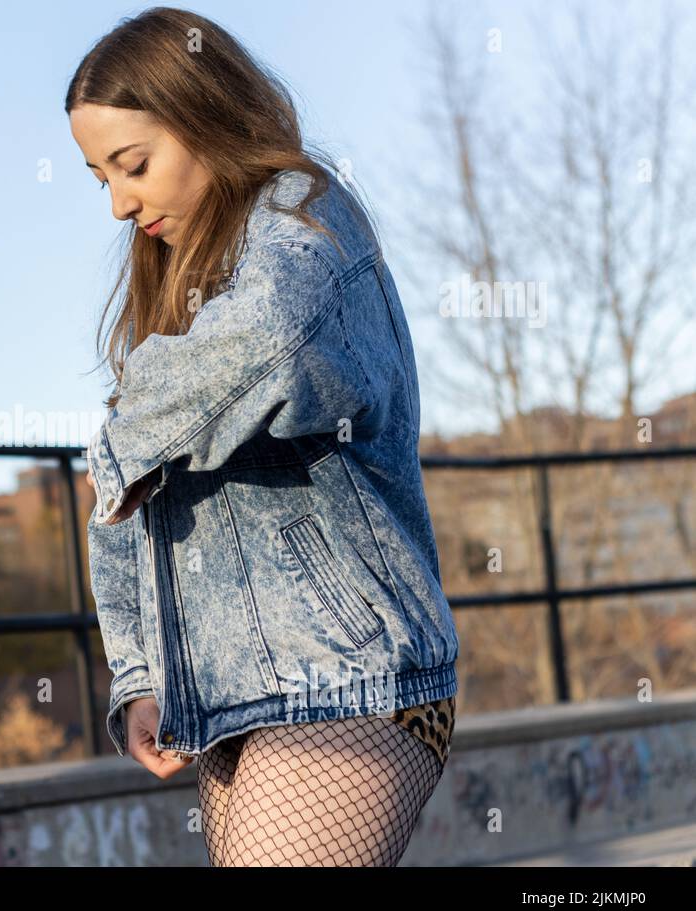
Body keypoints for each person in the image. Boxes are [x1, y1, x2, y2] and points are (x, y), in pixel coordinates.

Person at [68, 7, 459, 866]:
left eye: (133, 166)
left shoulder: (306, 220)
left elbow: (275, 344)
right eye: (99, 177)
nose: (118, 203)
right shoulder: (172, 295)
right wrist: (140, 675)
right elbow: (129, 509)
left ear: (205, 111)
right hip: (224, 697)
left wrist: (122, 436)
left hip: (351, 678)